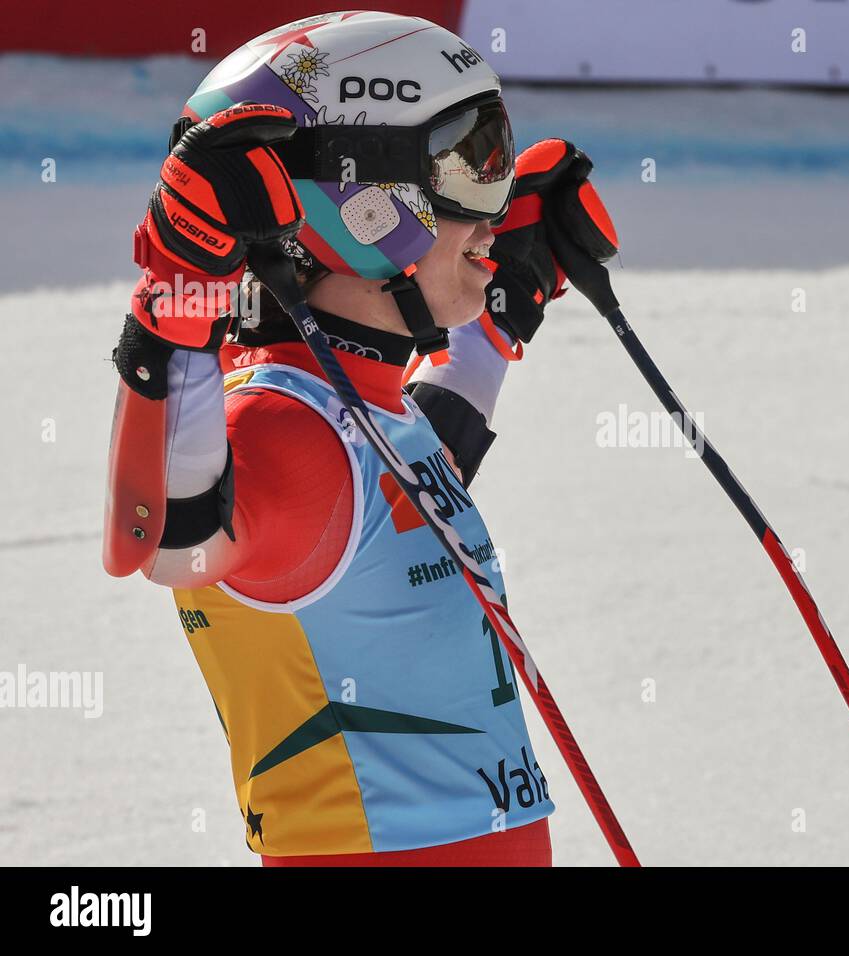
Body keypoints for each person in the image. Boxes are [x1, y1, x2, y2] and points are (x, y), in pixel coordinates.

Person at [102, 11, 617, 866]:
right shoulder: (279, 428)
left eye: (495, 162)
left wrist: (500, 316)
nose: (493, 215)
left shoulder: (353, 413)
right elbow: (166, 544)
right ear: (366, 205)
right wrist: (177, 292)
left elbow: (399, 508)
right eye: (466, 169)